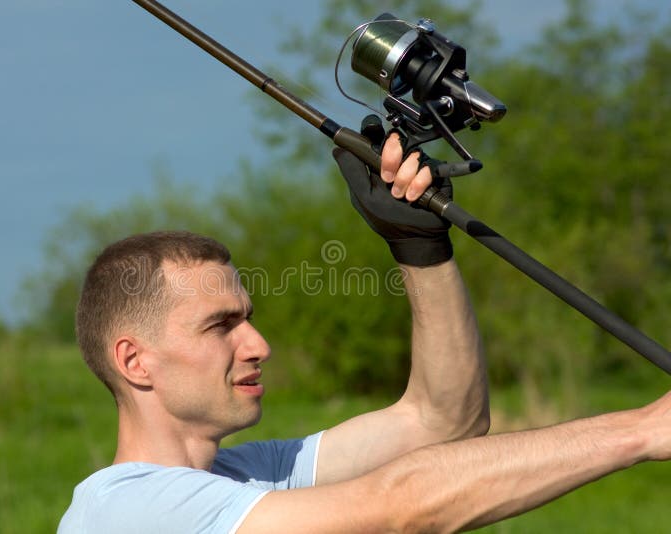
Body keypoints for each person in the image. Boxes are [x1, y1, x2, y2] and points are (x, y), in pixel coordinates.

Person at [58, 129, 671, 533]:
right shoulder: (127, 510)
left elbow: (442, 421)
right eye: (221, 325)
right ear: (135, 362)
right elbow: (400, 508)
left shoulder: (250, 477)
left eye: (248, 317)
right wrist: (643, 430)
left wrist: (420, 248)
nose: (258, 344)